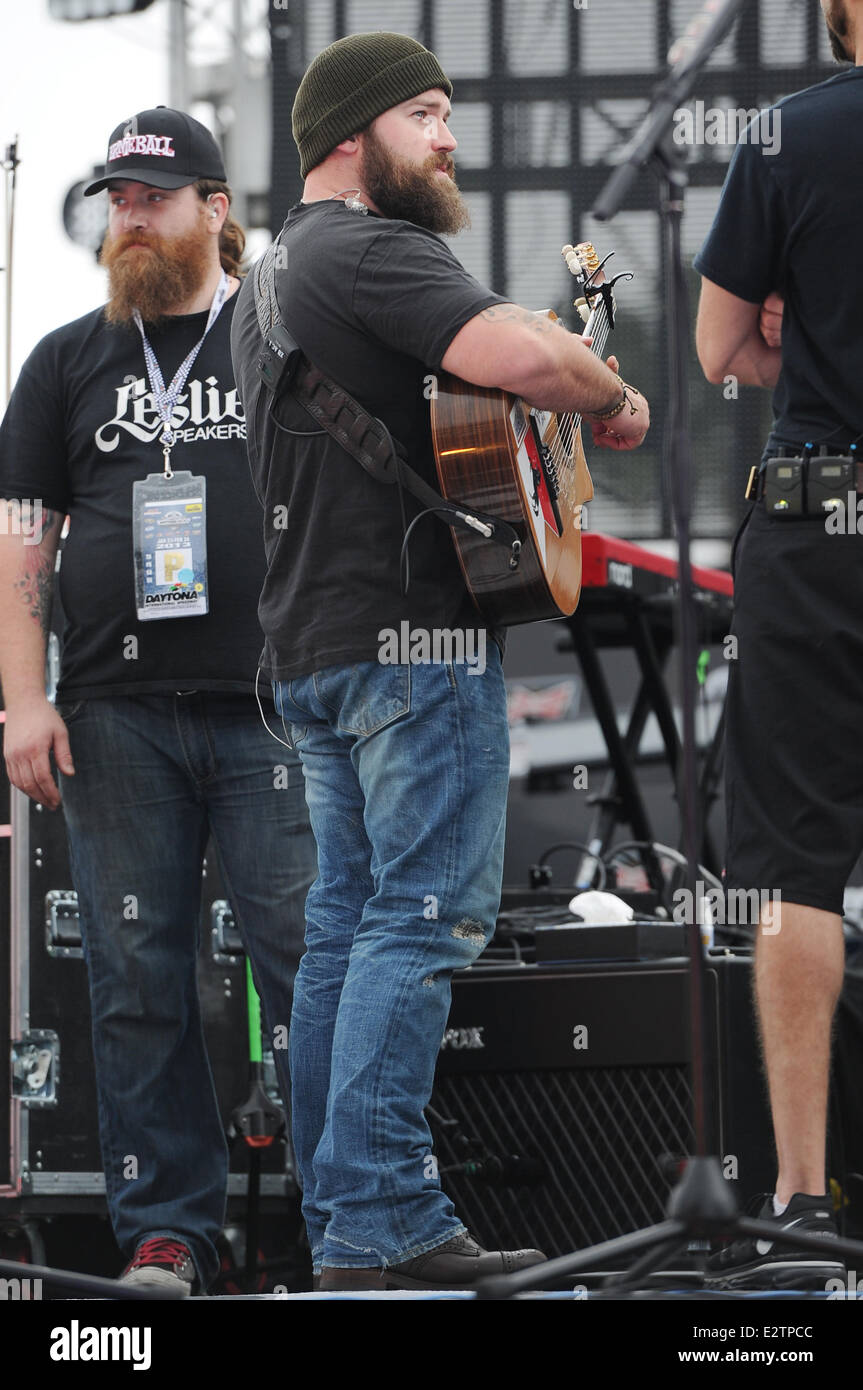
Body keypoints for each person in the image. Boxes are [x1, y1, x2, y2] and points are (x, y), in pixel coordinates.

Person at [231, 32, 650, 1292]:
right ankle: (385, 1225)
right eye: (424, 112)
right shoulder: (374, 246)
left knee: (354, 935)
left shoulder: (265, 277)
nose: (449, 137)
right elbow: (523, 359)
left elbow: (449, 412)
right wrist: (604, 394)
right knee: (422, 926)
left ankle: (344, 1228)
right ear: (353, 135)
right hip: (409, 655)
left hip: (311, 654)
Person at [0, 107, 316, 1296]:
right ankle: (168, 1235)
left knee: (304, 963)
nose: (130, 219)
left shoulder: (282, 338)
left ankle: (344, 1221)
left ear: (216, 211)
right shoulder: (65, 361)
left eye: (155, 198)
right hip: (118, 712)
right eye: (118, 202)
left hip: (273, 703)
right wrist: (24, 699)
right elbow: (20, 540)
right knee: (138, 977)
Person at [693, 0, 860, 1289]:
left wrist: (785, 329)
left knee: (795, 864)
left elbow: (712, 348)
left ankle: (801, 1202)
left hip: (819, 530)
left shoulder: (782, 134)